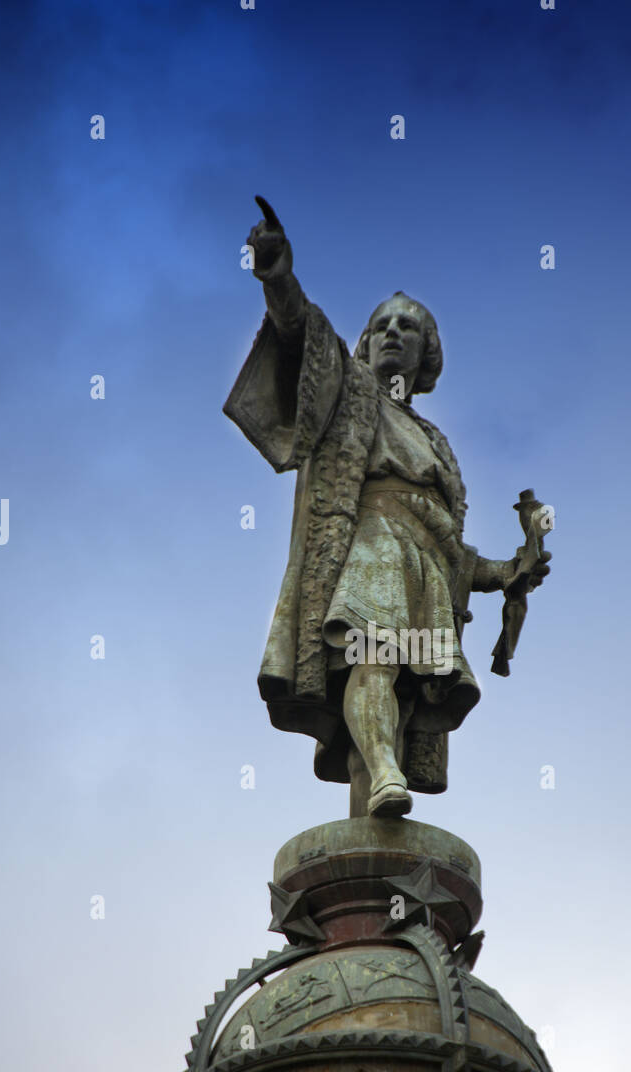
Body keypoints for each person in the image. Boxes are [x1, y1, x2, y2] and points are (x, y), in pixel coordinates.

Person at [223, 198, 550, 818]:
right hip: (368, 546)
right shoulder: (346, 387)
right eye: (383, 325)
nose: (394, 332)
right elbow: (300, 333)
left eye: (411, 326)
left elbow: (453, 550)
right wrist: (277, 275)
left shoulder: (437, 446)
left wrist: (509, 570)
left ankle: (374, 784)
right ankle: (384, 776)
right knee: (370, 659)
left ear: (427, 355)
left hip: (425, 569)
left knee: (400, 696)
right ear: (367, 343)